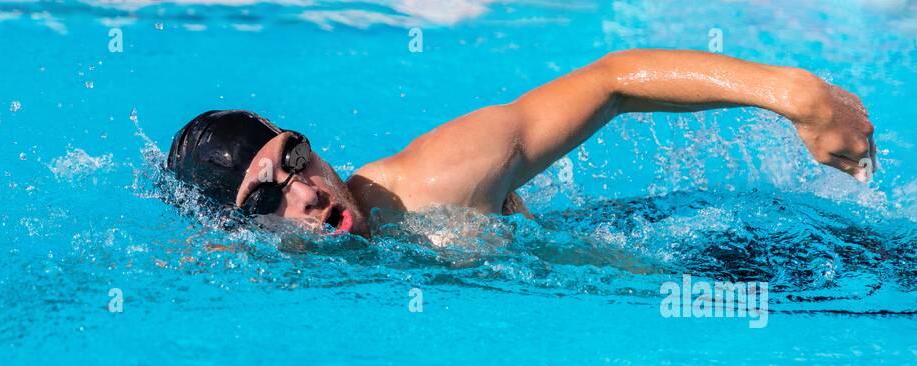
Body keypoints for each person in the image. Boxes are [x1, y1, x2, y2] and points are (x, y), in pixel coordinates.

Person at [166, 49, 877, 239]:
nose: (308, 190)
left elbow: (614, 82)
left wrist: (794, 96)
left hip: (712, 259)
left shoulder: (433, 184)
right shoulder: (251, 275)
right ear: (236, 232)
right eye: (266, 196)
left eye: (294, 158)